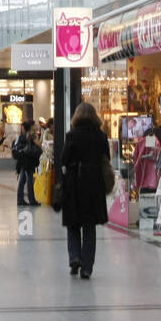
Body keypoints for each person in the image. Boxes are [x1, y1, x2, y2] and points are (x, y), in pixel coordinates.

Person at [59, 102, 110, 279]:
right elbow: (106, 158)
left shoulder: (72, 135)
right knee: (89, 226)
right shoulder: (101, 136)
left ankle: (74, 257)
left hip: (74, 182)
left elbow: (64, 159)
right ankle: (87, 267)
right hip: (94, 183)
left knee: (73, 223)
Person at [14, 123, 43, 207]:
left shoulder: (23, 136)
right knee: (29, 180)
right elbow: (39, 144)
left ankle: (20, 199)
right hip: (29, 161)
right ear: (31, 127)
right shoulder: (31, 135)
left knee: (22, 180)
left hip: (23, 160)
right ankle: (32, 200)